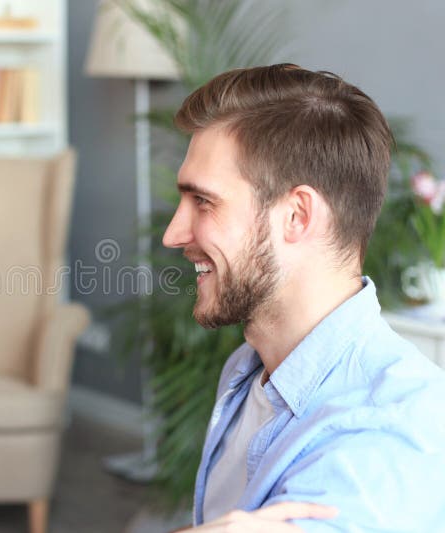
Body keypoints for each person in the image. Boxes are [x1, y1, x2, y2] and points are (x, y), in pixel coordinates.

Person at [162, 64, 445, 532]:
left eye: (204, 202)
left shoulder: (388, 431)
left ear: (296, 216)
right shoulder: (246, 368)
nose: (174, 233)